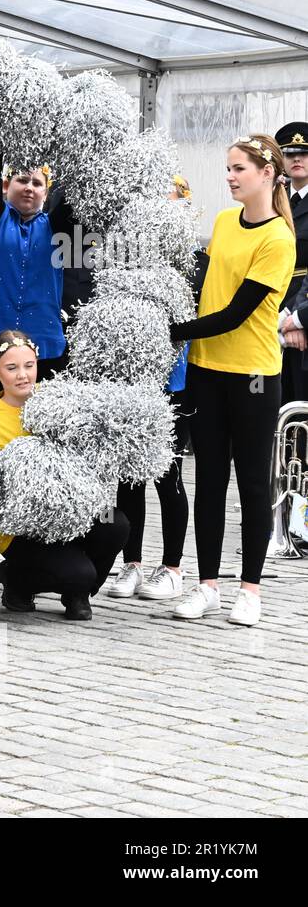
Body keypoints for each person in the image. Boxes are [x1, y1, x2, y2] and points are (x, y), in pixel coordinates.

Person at [168, 134, 296, 628]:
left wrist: (171, 330)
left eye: (239, 168)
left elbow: (236, 314)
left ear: (267, 174)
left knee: (250, 485)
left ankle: (251, 590)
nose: (229, 176)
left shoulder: (278, 239)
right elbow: (205, 289)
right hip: (205, 370)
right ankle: (208, 586)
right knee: (210, 482)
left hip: (253, 376)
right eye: (228, 168)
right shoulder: (223, 222)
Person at [0, 331, 128, 621]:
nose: (23, 375)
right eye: (12, 368)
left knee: (115, 523)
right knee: (81, 573)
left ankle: (77, 593)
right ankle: (17, 579)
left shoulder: (57, 401)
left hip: (71, 512)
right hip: (21, 528)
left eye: (29, 365)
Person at [106, 176, 197, 603]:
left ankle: (174, 567)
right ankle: (132, 563)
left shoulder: (196, 263)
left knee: (169, 475)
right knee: (129, 477)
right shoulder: (127, 263)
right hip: (131, 384)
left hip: (173, 384)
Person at [0, 151, 72, 418]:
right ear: (5, 185)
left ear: (46, 194)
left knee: (41, 430)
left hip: (44, 348)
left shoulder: (57, 228)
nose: (29, 188)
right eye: (22, 180)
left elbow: (76, 194)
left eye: (37, 184)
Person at [274, 123, 308, 402]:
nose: (297, 160)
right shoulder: (274, 201)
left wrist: (297, 319)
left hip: (300, 311)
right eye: (290, 154)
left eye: (304, 154)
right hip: (273, 311)